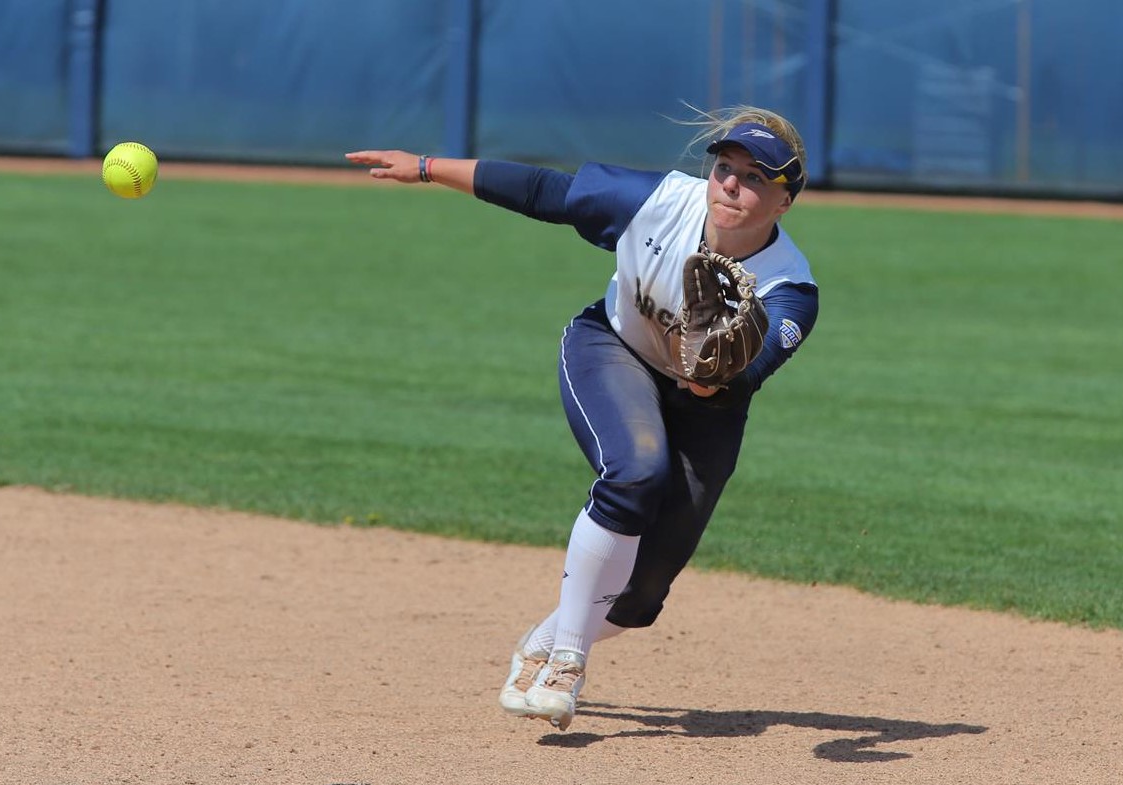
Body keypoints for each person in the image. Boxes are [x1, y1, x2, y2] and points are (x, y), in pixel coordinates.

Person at [346, 105, 819, 731]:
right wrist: (429, 167)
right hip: (613, 350)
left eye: (756, 177)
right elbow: (548, 193)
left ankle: (546, 639)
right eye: (726, 169)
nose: (732, 185)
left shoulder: (788, 290)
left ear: (785, 200)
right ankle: (567, 662)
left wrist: (714, 377)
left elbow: (741, 381)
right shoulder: (656, 201)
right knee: (635, 471)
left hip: (706, 408)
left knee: (641, 597)